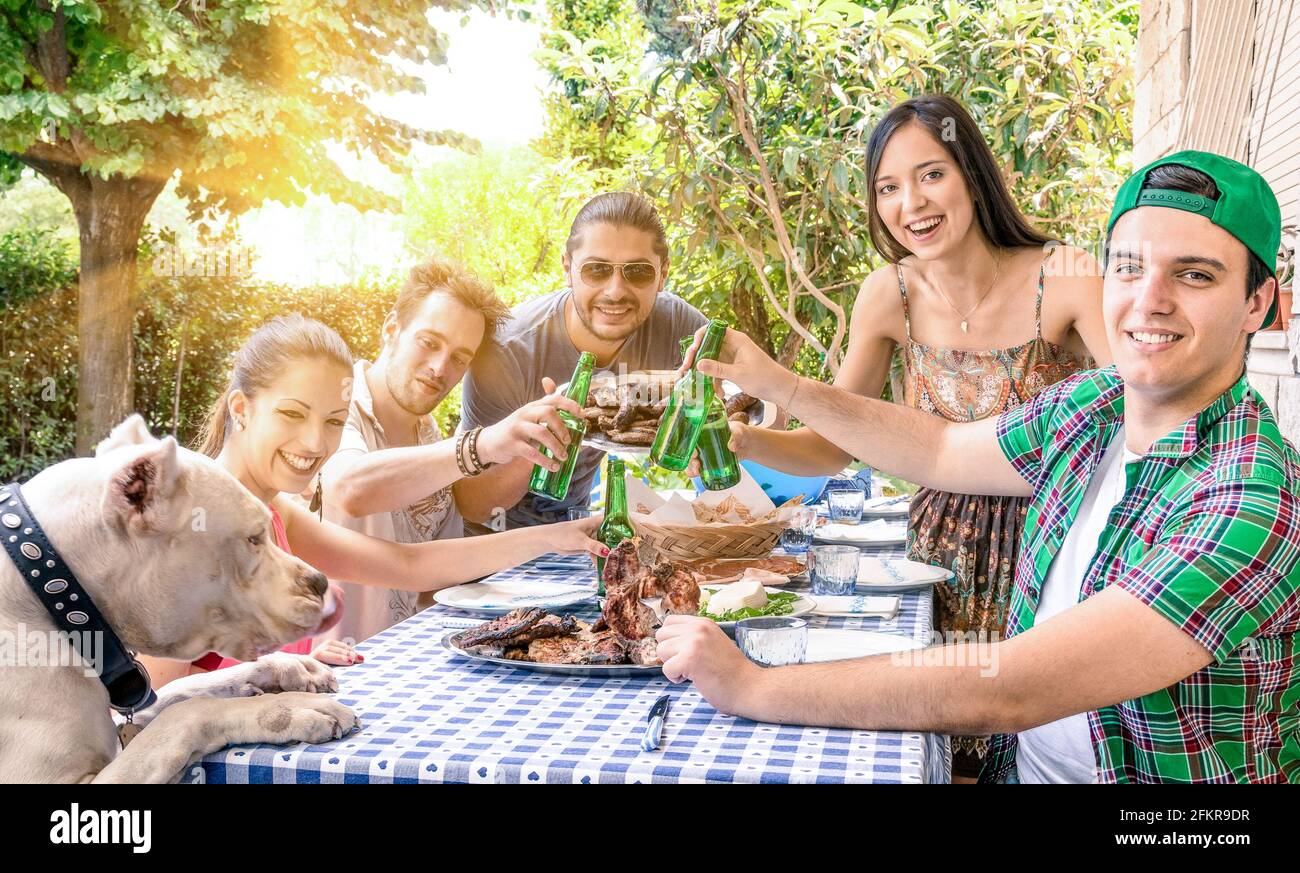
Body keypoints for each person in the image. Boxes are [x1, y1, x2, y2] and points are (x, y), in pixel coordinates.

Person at [662, 150, 1299, 783]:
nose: (1149, 300)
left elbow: (1007, 689)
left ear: (1258, 303)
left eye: (1194, 276)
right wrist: (782, 385)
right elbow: (940, 448)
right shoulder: (1096, 407)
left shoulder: (1252, 494)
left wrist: (750, 685)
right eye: (1130, 268)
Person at [721, 94, 1111, 777]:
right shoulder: (887, 295)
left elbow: (1138, 414)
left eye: (931, 174)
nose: (911, 203)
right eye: (888, 188)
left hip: (1050, 553)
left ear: (972, 174)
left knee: (1042, 745)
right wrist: (747, 443)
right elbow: (835, 446)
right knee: (937, 746)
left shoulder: (1067, 276)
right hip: (935, 562)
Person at [138, 314, 606, 687]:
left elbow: (407, 566)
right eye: (292, 414)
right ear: (242, 409)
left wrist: (558, 535)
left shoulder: (272, 511)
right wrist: (274, 671)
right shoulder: (190, 524)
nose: (313, 442)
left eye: (333, 421)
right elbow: (146, 704)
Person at [314, 258, 594, 643]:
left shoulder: (428, 435)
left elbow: (432, 570)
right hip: (337, 673)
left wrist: (560, 536)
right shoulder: (333, 407)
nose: (439, 367)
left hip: (411, 665)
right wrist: (485, 444)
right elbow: (350, 490)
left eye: (460, 358)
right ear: (392, 329)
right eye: (429, 343)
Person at [456, 192, 708, 530]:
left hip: (573, 526)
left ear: (663, 274)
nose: (616, 291)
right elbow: (474, 506)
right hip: (489, 541)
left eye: (638, 272)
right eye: (596, 270)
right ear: (567, 268)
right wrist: (535, 443)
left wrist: (707, 428)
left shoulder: (678, 327)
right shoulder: (508, 351)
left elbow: (763, 409)